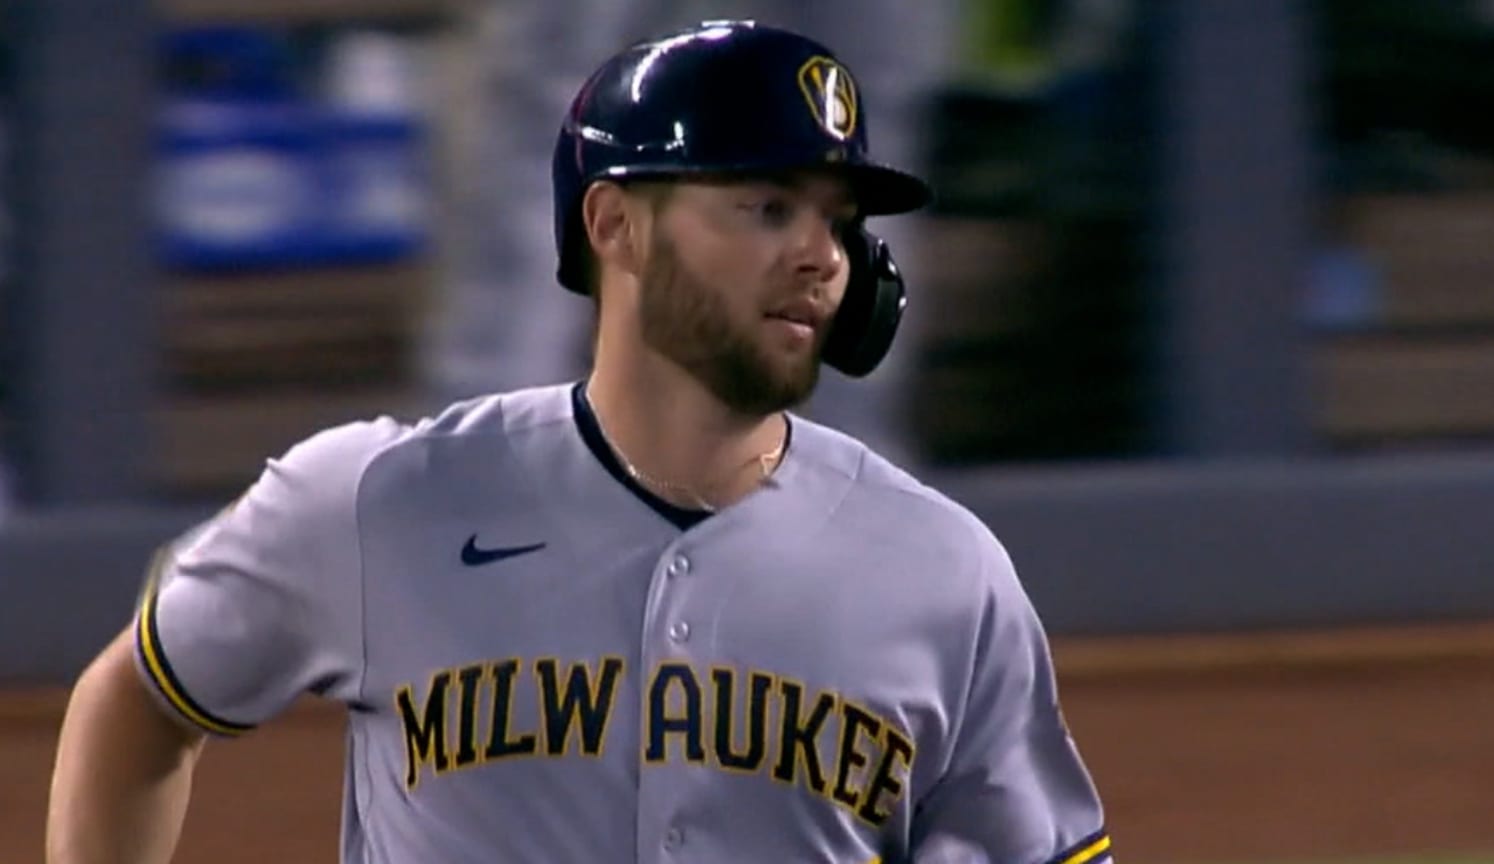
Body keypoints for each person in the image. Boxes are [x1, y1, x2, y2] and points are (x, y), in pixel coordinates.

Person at [47, 20, 1112, 864]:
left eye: (838, 221)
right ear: (615, 226)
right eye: (767, 204)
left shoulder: (944, 573)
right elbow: (135, 703)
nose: (822, 258)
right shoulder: (379, 499)